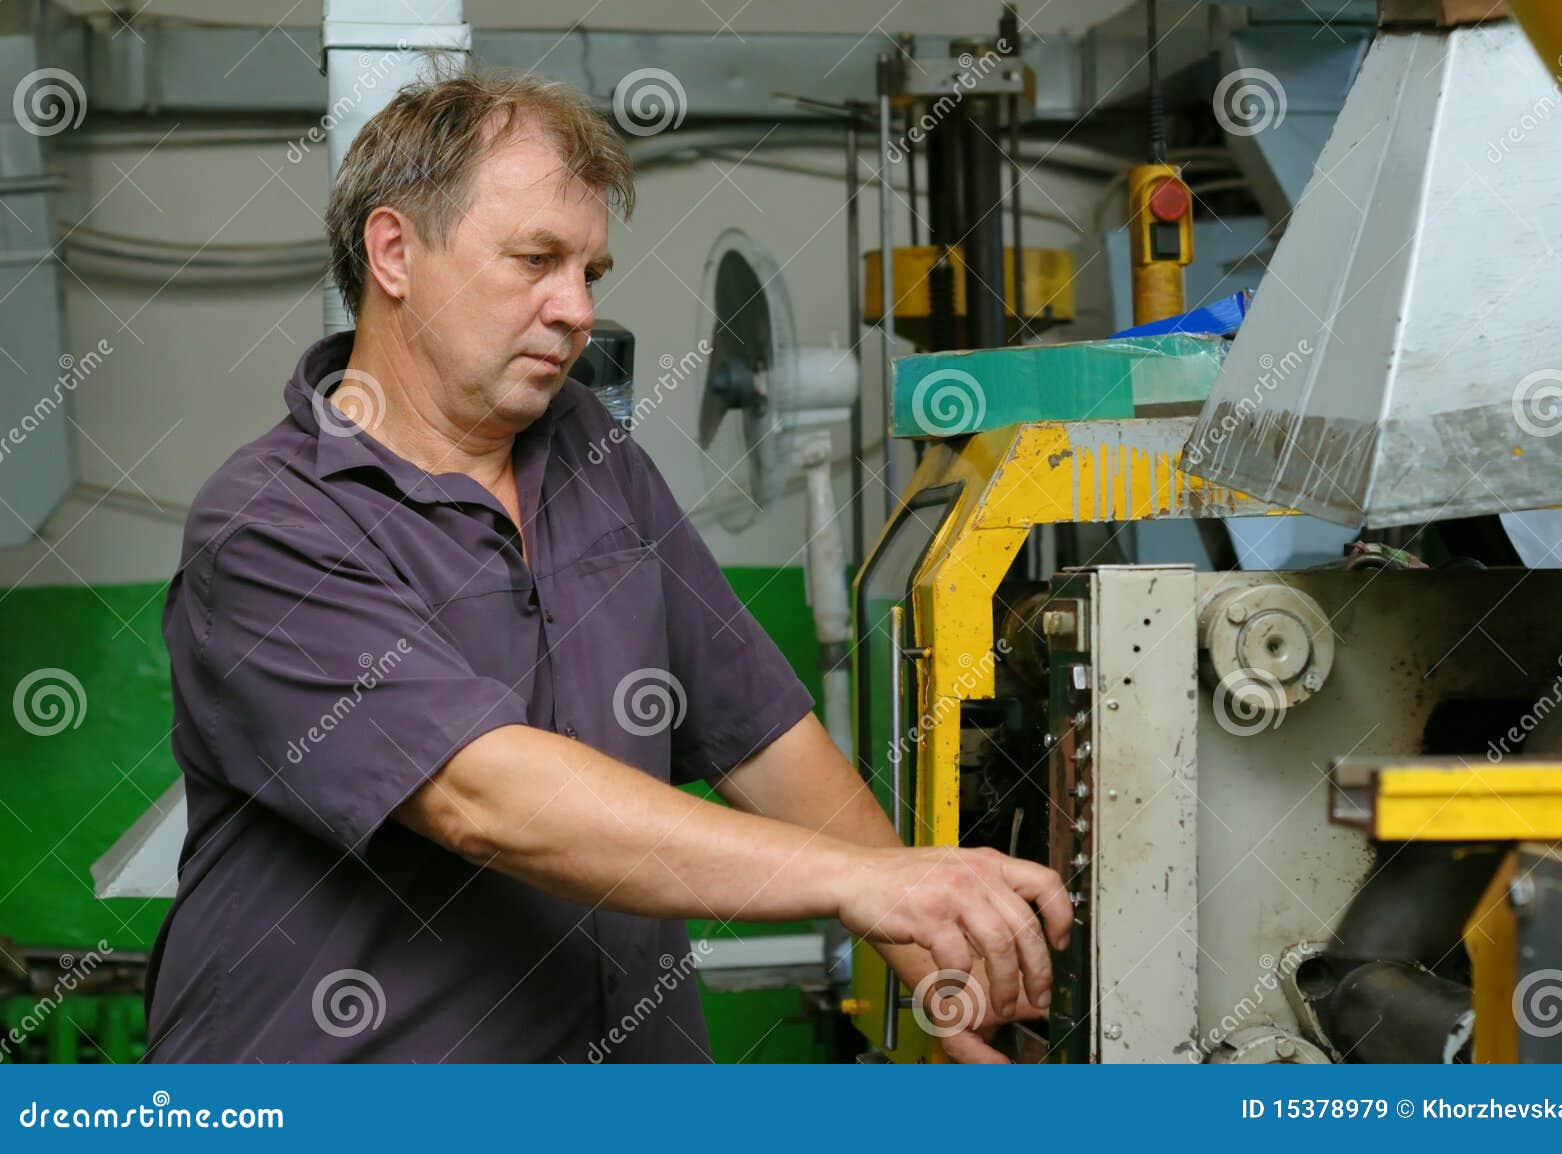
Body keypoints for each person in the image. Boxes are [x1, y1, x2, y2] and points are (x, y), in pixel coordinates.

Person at [145, 70, 1069, 1064]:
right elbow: (480, 793)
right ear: (393, 250)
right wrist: (856, 885)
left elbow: (757, 729)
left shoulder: (592, 454)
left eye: (591, 270)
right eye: (537, 259)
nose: (576, 308)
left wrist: (928, 937)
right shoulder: (269, 524)